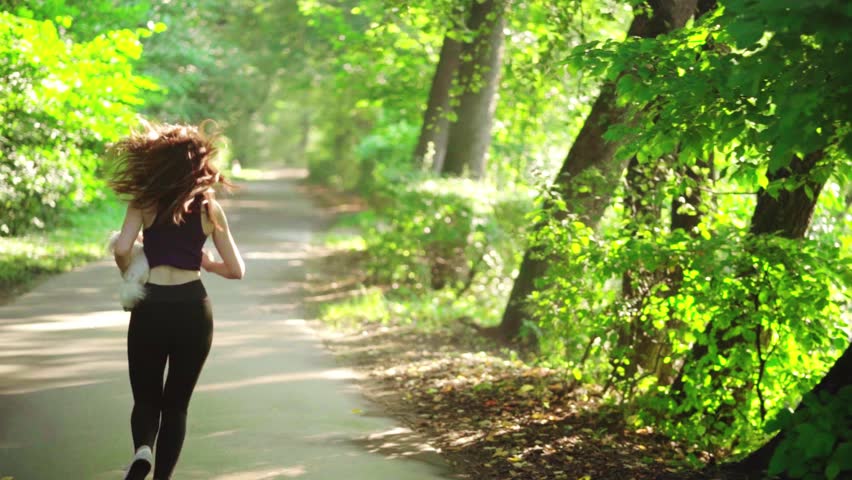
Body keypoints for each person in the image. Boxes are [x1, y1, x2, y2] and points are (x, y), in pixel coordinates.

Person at [109, 122, 245, 480]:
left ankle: (142, 450)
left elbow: (122, 248)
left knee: (146, 398)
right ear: (198, 164)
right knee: (177, 405)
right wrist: (209, 263)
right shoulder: (209, 209)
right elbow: (236, 270)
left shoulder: (144, 201)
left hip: (151, 306)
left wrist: (130, 273)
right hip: (192, 308)